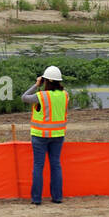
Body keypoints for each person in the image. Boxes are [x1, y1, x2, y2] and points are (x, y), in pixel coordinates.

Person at [23, 65, 69, 205]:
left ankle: (36, 199)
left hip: (40, 135)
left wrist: (36, 85)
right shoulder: (65, 95)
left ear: (46, 81)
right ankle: (57, 197)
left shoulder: (41, 96)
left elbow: (24, 97)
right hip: (58, 135)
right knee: (56, 165)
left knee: (38, 166)